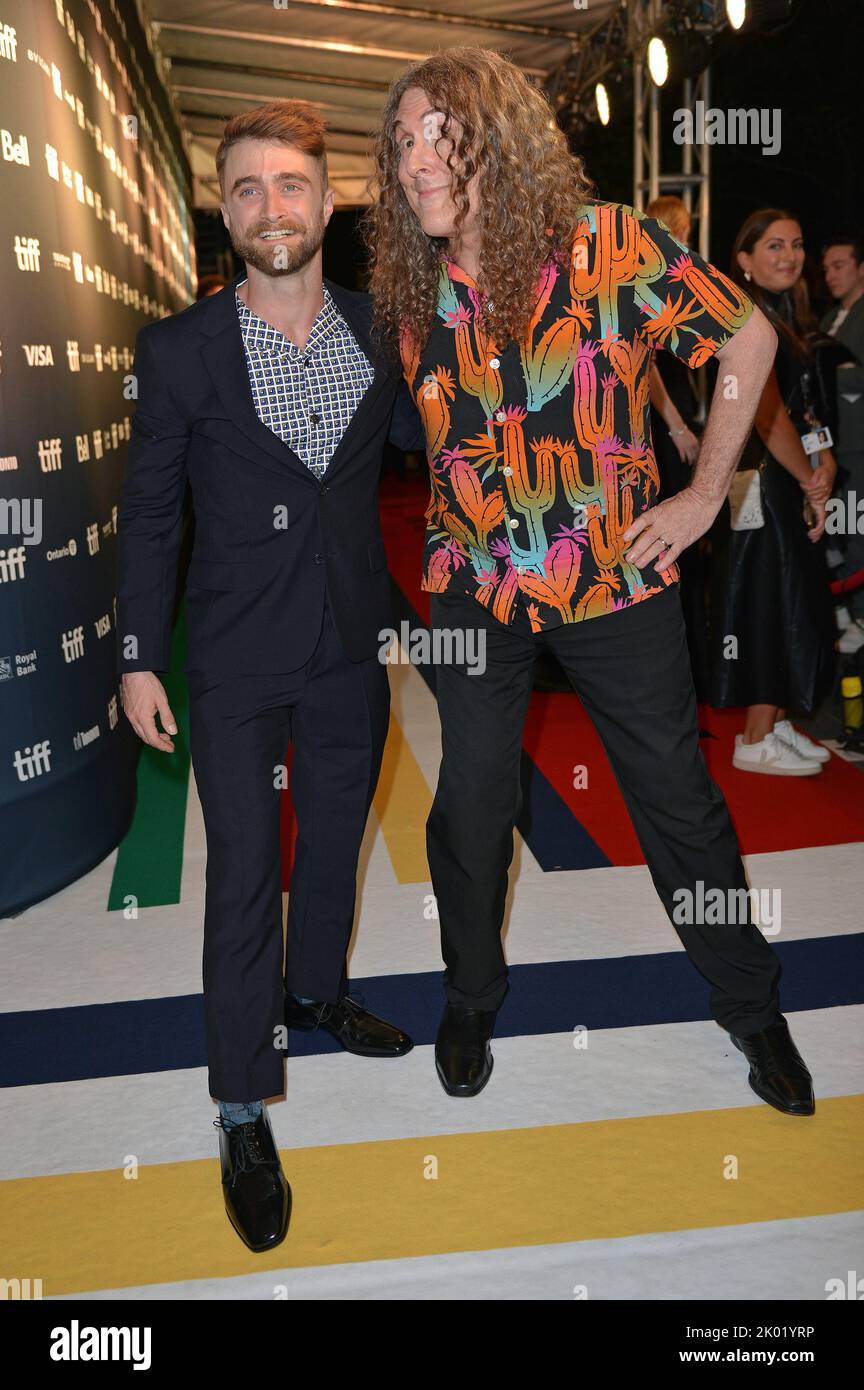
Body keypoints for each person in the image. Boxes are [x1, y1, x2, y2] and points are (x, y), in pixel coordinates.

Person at [362, 46, 815, 1117]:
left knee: (677, 803)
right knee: (470, 804)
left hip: (616, 574)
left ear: (498, 138)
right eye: (403, 141)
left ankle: (750, 1006)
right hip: (475, 581)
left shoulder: (604, 242)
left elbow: (746, 332)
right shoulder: (410, 280)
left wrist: (707, 491)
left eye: (443, 134)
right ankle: (470, 993)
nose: (418, 159)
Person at [116, 100, 424, 1253]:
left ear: (327, 199)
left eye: (290, 183)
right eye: (244, 189)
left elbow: (430, 449)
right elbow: (149, 519)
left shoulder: (377, 327)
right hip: (237, 656)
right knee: (247, 866)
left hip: (352, 644)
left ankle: (315, 994)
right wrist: (139, 654)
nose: (269, 207)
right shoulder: (178, 349)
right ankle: (243, 1104)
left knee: (334, 839)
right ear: (226, 211)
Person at [708, 210, 839, 774]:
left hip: (787, 479)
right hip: (758, 483)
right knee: (766, 597)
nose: (789, 255)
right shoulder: (747, 318)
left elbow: (804, 409)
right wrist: (812, 478)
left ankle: (777, 720)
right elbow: (767, 418)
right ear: (744, 260)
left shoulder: (785, 316)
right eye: (774, 246)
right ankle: (756, 735)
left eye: (797, 244)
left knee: (791, 595)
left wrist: (824, 456)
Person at [821, 235, 864, 652]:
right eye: (827, 267)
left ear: (861, 267)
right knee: (838, 535)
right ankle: (844, 614)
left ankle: (859, 618)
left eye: (839, 265)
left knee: (855, 531)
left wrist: (828, 373)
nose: (830, 274)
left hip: (858, 450)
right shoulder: (830, 317)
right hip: (833, 452)